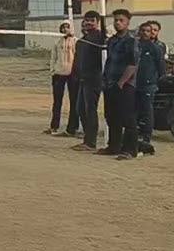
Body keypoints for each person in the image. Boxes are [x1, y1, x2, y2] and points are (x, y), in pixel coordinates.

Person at [100, 9, 139, 160]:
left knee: (127, 118)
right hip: (109, 84)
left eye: (121, 20)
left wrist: (122, 82)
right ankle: (113, 146)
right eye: (116, 20)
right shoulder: (112, 40)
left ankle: (130, 150)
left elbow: (133, 64)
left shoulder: (131, 41)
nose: (117, 23)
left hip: (125, 85)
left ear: (128, 22)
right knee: (112, 117)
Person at [71, 12, 106, 151]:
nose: (88, 23)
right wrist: (75, 74)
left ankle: (91, 142)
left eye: (92, 20)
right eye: (87, 20)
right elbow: (78, 60)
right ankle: (87, 138)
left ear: (97, 22)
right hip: (82, 79)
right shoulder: (82, 40)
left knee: (90, 109)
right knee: (80, 109)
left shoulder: (99, 38)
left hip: (94, 79)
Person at [135, 21, 166, 156]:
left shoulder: (156, 48)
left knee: (147, 111)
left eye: (149, 31)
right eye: (144, 30)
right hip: (134, 84)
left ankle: (146, 137)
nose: (146, 33)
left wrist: (153, 80)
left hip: (148, 84)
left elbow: (161, 67)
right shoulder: (134, 46)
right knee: (134, 110)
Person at [45, 22, 76, 135]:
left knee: (73, 102)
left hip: (72, 74)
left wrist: (76, 72)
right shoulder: (57, 41)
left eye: (67, 27)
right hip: (59, 73)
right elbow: (53, 57)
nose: (65, 29)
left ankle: (71, 128)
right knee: (57, 101)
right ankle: (54, 126)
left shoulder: (75, 41)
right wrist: (53, 70)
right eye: (63, 27)